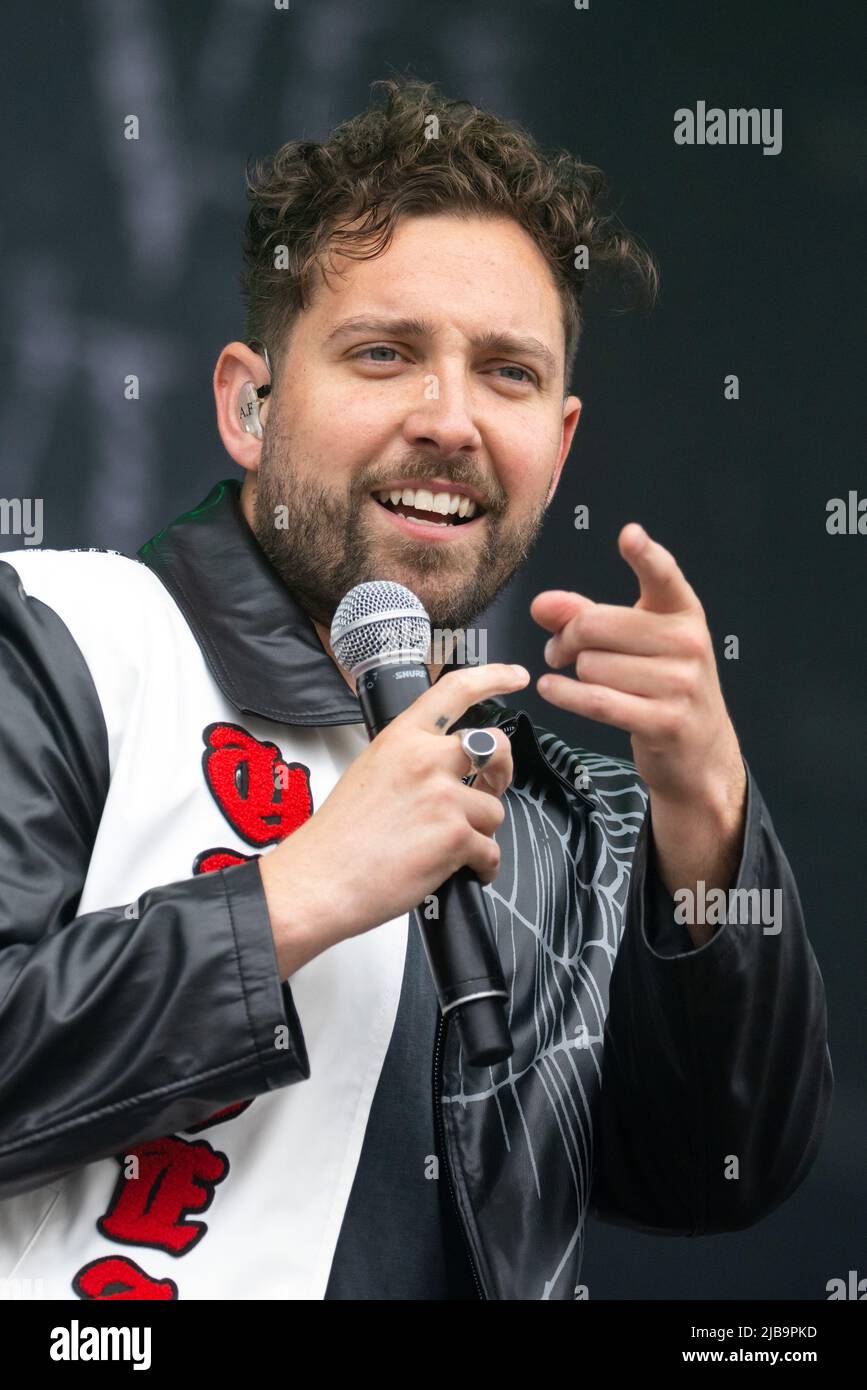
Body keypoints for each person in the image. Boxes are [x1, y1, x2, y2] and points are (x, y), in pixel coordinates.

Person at [0, 77, 832, 1301]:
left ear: (559, 444)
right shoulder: (62, 636)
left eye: (507, 373)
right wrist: (292, 898)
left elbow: (715, 1172)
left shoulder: (560, 823)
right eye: (385, 353)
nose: (450, 420)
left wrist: (708, 811)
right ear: (249, 402)